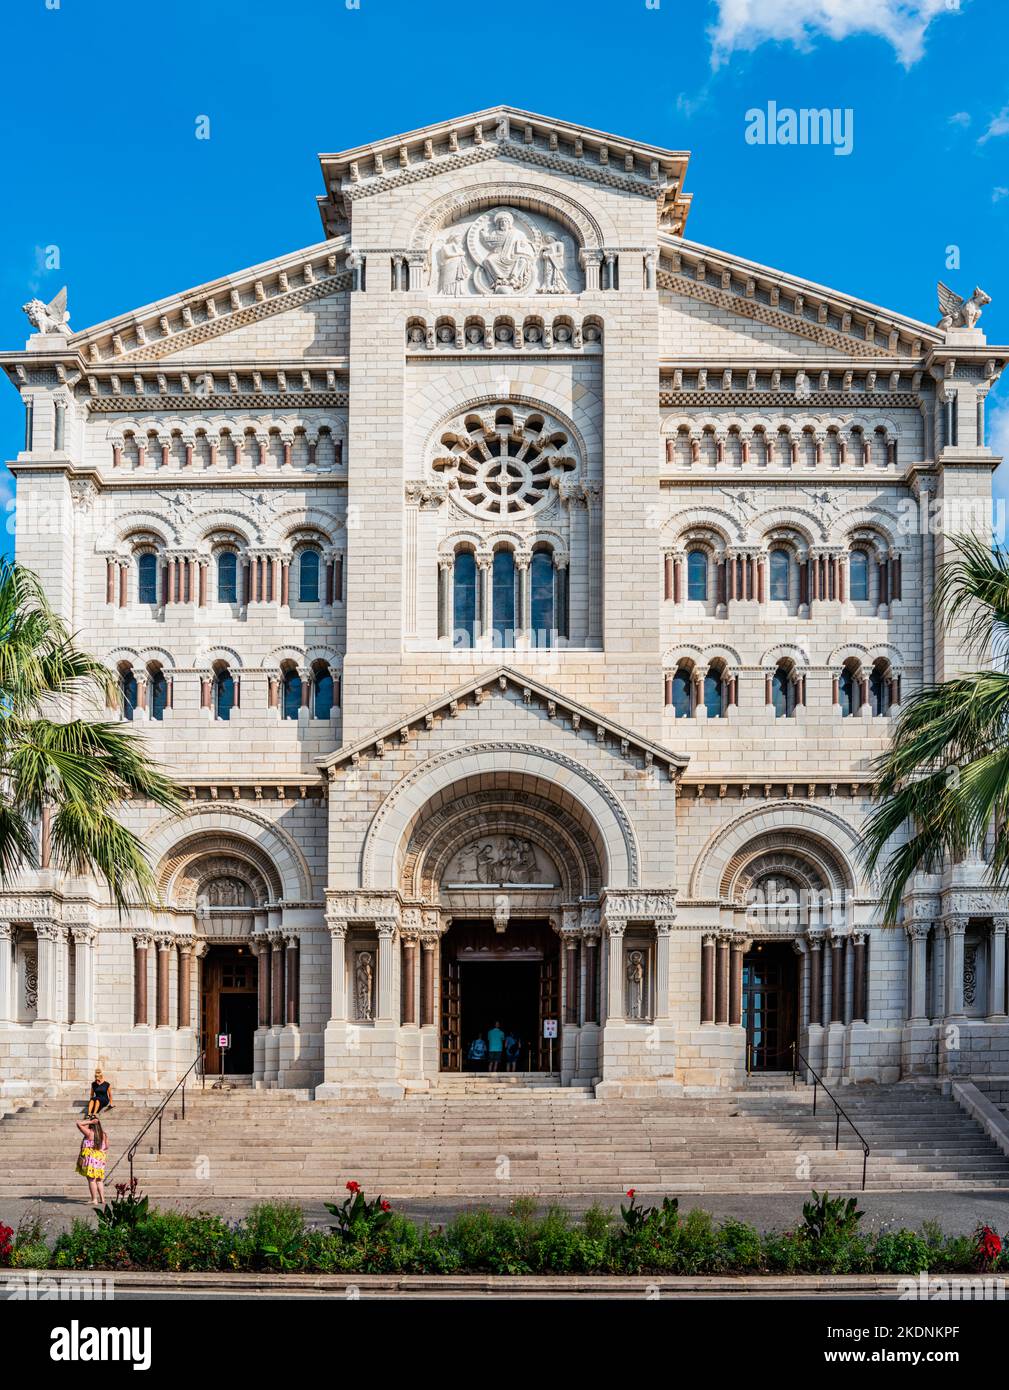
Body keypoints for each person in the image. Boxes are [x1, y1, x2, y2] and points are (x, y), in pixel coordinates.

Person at [75, 1118, 109, 1206]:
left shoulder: (89, 1133)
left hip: (91, 1159)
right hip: (100, 1159)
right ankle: (102, 1198)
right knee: (99, 1180)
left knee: (91, 1180)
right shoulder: (104, 1134)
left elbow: (78, 1123)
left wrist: (90, 1121)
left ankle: (94, 1199)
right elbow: (106, 1147)